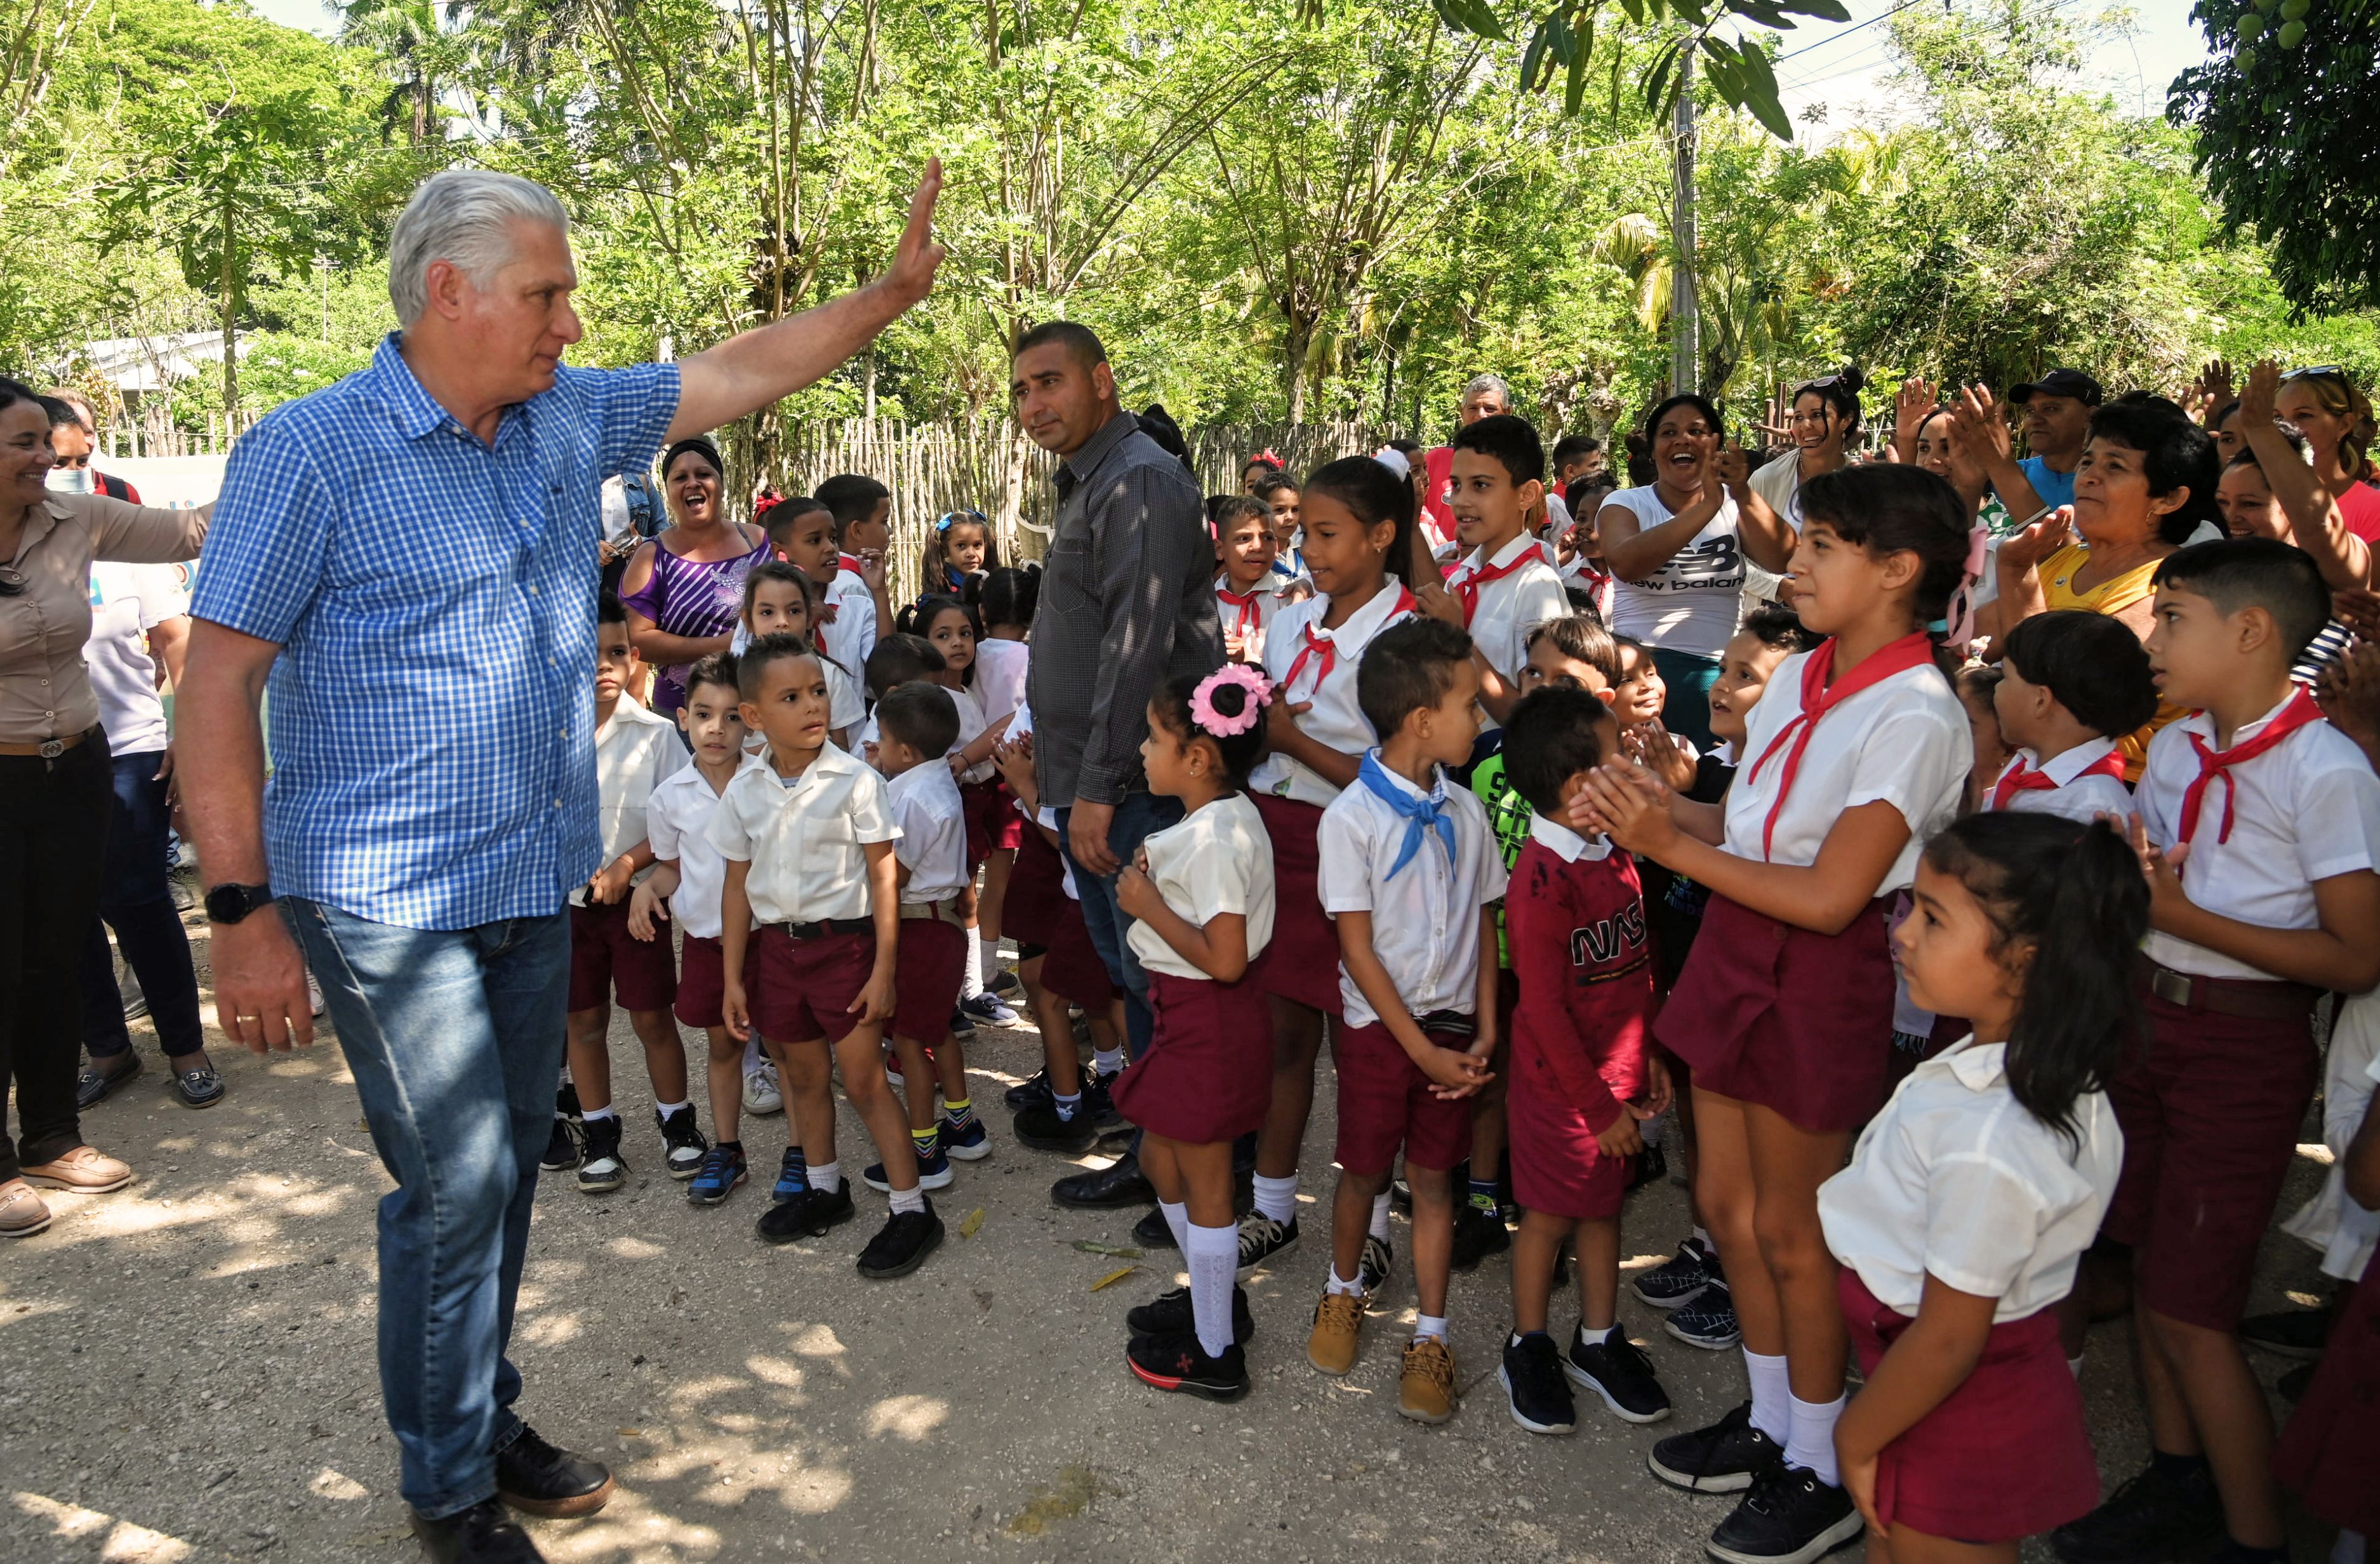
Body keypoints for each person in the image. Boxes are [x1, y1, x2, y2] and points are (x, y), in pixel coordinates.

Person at [176, 163, 943, 1563]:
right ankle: (450, 1486)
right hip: (380, 894)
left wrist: (887, 298)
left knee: (505, 1176)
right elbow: (218, 683)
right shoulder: (307, 451)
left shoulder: (560, 419)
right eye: (545, 293)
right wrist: (238, 911)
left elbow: (737, 369)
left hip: (531, 879)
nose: (568, 323)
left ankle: (478, 1411)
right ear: (448, 292)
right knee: (461, 1179)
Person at [1579, 464, 1974, 1564]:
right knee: (1724, 1198)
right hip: (1738, 941)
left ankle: (1820, 1458)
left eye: (1821, 546)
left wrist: (1668, 842)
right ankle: (1773, 1418)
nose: (1790, 561)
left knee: (1792, 1230)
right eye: (1797, 542)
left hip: (1817, 964)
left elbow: (1831, 891)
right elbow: (1743, 823)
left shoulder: (1916, 711)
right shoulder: (1804, 674)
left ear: (1896, 570)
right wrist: (1666, 802)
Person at [2054, 540, 2380, 1564]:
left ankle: (2250, 1537)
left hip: (2241, 1045)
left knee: (2194, 1309)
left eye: (2175, 615)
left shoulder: (2325, 767)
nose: (2151, 638)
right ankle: (2177, 1474)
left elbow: (2353, 955)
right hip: (2146, 1019)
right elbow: (2158, 885)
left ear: (2249, 631)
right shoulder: (2184, 746)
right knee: (2152, 1270)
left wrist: (2177, 911)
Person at [1823, 812, 2144, 1560]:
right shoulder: (2014, 1064)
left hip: (1951, 1405)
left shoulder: (1992, 1139)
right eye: (1910, 907)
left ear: (2025, 962)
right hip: (1926, 1390)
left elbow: (1945, 1337)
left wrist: (1854, 1432)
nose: (1901, 931)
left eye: (1933, 919)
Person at [1012, 319, 1221, 1217]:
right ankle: (1157, 1149)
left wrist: (1097, 787)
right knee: (1131, 970)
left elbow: (1135, 653)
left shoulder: (1137, 477)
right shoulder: (1093, 478)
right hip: (1087, 778)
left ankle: (1200, 1169)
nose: (1034, 405)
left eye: (1050, 382)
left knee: (1163, 977)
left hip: (1132, 782)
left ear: (1102, 379)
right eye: (1021, 390)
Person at [0, 377, 208, 1242]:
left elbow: (186, 529)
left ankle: (51, 1135)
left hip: (77, 766)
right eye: (22, 443)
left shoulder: (72, 518)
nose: (45, 456)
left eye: (44, 440)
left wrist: (290, 462)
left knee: (54, 950)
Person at [1307, 617, 1505, 1427]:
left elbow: (1484, 931)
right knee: (1361, 1171)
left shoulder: (1466, 814)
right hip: (1382, 1036)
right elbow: (1356, 952)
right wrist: (1419, 1047)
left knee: (1433, 1180)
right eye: (1469, 703)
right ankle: (1342, 1290)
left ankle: (1430, 1332)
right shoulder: (1348, 820)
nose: (1481, 719)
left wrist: (1484, 1028)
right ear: (1422, 719)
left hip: (1454, 1033)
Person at [1237, 455, 1419, 1282]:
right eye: (1301, 531)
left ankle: (1372, 1220)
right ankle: (1272, 1205)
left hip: (1356, 852)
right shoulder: (1286, 621)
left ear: (1382, 536)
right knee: (1282, 1038)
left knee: (1361, 1048)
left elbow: (1402, 780)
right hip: (1275, 839)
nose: (1305, 546)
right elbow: (1264, 729)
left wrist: (1290, 739)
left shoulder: (1406, 638)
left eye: (1325, 532)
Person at [714, 635, 943, 1277]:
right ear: (754, 716)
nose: (813, 706)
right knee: (804, 1076)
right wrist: (734, 978)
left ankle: (910, 1209)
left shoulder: (856, 781)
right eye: (791, 697)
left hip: (845, 950)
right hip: (777, 954)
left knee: (865, 1080)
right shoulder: (745, 788)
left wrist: (883, 969)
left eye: (817, 690)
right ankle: (823, 1188)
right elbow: (737, 885)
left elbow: (883, 879)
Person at [1631, 602, 1821, 1360]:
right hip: (1701, 972)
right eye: (1726, 669)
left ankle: (1749, 1291)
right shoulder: (1728, 769)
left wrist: (1678, 808)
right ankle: (1717, 1249)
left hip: (1765, 983)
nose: (1721, 685)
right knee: (1714, 1160)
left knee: (1768, 1183)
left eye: (1747, 676)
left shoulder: (1765, 778)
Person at [1496, 684, 1673, 1436]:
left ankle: (1597, 1339)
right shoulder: (1539, 884)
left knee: (1602, 1214)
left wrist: (1651, 1051)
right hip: (1563, 1098)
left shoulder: (1615, 852)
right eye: (1617, 759)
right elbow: (1541, 1010)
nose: (1632, 766)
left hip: (1621, 1080)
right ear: (1578, 789)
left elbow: (1635, 965)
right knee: (1548, 1220)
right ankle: (1527, 1343)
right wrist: (1597, 1109)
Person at [1113, 665, 1278, 1402]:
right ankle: (1217, 1297)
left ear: (1198, 758)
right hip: (1187, 1016)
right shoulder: (1215, 820)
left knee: (1206, 1182)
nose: (1142, 751)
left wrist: (1147, 904)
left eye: (1153, 738)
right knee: (1159, 1156)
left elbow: (1226, 958)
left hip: (1208, 1015)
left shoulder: (1213, 837)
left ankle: (1215, 1352)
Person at [1990, 398, 2218, 775]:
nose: (2090, 477)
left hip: (2107, 790)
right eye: (2088, 461)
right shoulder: (2066, 560)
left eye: (2115, 466)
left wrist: (2015, 571)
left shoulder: (2172, 589)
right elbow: (1981, 640)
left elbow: (2052, 702)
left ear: (2170, 499)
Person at [560, 596, 702, 1193]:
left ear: (634, 658)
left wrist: (628, 864)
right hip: (563, 907)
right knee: (582, 1020)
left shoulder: (656, 734)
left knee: (650, 1015)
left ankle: (677, 1121)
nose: (603, 665)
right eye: (587, 653)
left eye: (616, 652)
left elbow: (675, 820)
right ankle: (599, 1132)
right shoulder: (544, 734)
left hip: (638, 903)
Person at [73, 531, 216, 1111]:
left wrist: (187, 734)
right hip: (36, 755)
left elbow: (176, 639)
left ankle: (187, 1050)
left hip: (131, 746)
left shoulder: (123, 547)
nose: (64, 471)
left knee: (139, 902)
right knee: (65, 910)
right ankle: (108, 1051)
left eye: (79, 460)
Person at [631, 653, 769, 1208]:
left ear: (751, 720)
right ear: (683, 718)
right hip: (709, 943)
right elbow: (672, 865)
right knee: (723, 1044)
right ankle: (728, 1149)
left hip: (771, 937)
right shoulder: (670, 797)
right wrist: (646, 887)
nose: (718, 728)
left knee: (791, 1047)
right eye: (705, 715)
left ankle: (806, 1157)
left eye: (733, 716)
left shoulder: (767, 781)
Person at [1599, 395, 1796, 750]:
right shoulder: (1625, 504)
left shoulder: (1736, 503)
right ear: (1653, 447)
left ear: (1716, 444)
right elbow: (1626, 564)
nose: (1682, 440)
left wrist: (1739, 490)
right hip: (1640, 682)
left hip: (1719, 683)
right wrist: (1708, 505)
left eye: (1697, 432)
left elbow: (1783, 557)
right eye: (1668, 432)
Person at [871, 681, 983, 1189]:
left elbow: (892, 874)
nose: (876, 746)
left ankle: (925, 1151)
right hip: (944, 926)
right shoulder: (935, 780)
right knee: (936, 1030)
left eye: (881, 738)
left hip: (921, 926)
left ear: (905, 751)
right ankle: (960, 1125)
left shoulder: (912, 797)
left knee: (911, 1043)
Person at [1422, 414, 1570, 736]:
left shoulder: (1537, 586)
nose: (1461, 501)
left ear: (1527, 495)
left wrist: (1459, 639)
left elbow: (1542, 721)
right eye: (1456, 486)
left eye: (1481, 485)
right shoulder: (1461, 578)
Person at [620, 436, 769, 723]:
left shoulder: (761, 543)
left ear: (722, 485)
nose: (693, 483)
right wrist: (720, 645)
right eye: (680, 478)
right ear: (669, 491)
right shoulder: (652, 557)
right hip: (686, 713)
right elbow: (635, 639)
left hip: (763, 704)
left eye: (703, 474)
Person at [1983, 611, 2155, 822]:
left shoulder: (2092, 808)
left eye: (2006, 678)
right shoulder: (2027, 763)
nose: (1997, 689)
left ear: (2040, 700)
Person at [736, 563, 861, 743]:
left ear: (810, 618)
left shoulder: (828, 675)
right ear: (748, 620)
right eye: (767, 612)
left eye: (794, 611)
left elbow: (841, 749)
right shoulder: (736, 678)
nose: (782, 622)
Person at [1957, 368, 2102, 519]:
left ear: (2089, 417)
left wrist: (2001, 465)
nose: (2035, 420)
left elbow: (2060, 543)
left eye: (2051, 409)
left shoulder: (2103, 484)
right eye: (2030, 411)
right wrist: (1969, 487)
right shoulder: (2003, 475)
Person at [1741, 370, 1864, 535]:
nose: (1805, 426)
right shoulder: (1766, 478)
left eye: (1817, 415)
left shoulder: (1863, 483)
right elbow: (1747, 544)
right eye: (1798, 418)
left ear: (1846, 420)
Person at [2270, 364, 2380, 542]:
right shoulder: (2256, 498)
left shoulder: (2374, 509)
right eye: (2277, 417)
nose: (2285, 426)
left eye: (2304, 415)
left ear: (2344, 425)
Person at [1421, 373, 1515, 545]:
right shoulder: (1433, 461)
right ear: (1462, 411)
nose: (1481, 416)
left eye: (1490, 409)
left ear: (1507, 412)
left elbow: (1533, 531)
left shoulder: (1518, 464)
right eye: (1473, 408)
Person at [816, 474, 895, 677]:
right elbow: (880, 663)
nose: (891, 531)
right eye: (884, 521)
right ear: (857, 530)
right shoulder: (851, 586)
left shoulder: (843, 578)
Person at [1212, 495, 1282, 663]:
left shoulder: (1286, 603)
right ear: (1219, 549)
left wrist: (1247, 658)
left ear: (1277, 545)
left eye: (1267, 537)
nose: (1258, 547)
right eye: (1244, 538)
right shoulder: (1207, 603)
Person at [43, 391, 140, 501]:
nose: (78, 440)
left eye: (87, 431)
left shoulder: (122, 493)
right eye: (59, 462)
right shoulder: (24, 501)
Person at [919, 507, 997, 598]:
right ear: (945, 550)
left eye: (977, 545)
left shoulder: (992, 585)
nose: (971, 554)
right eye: (961, 546)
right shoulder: (942, 596)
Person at [1253, 472, 1303, 580]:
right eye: (1279, 510)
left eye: (1295, 510)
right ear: (1258, 511)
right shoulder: (1253, 560)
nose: (1290, 517)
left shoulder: (1304, 556)